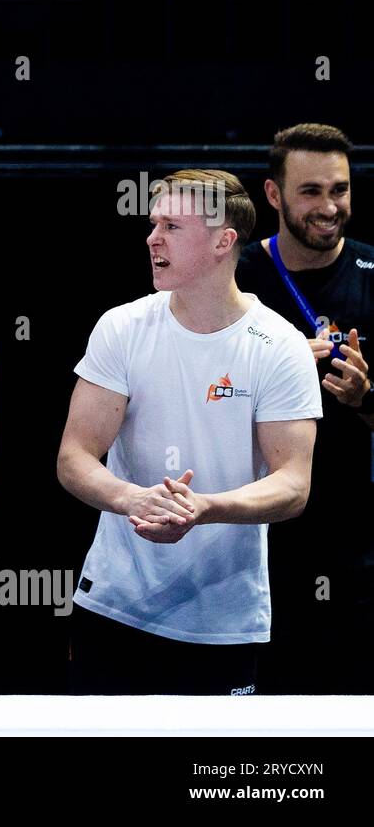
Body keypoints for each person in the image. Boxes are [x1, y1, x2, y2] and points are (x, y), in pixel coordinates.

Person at [58, 169, 322, 694]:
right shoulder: (121, 327)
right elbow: (74, 457)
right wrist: (133, 498)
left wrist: (205, 508)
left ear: (224, 242)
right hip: (115, 604)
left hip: (224, 619)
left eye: (172, 226)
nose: (152, 237)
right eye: (154, 223)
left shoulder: (279, 345)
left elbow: (294, 484)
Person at [236, 124, 374, 694]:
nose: (328, 207)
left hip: (353, 535)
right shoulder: (235, 276)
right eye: (310, 191)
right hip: (253, 530)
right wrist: (278, 365)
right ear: (274, 195)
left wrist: (366, 399)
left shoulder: (371, 272)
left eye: (339, 190)